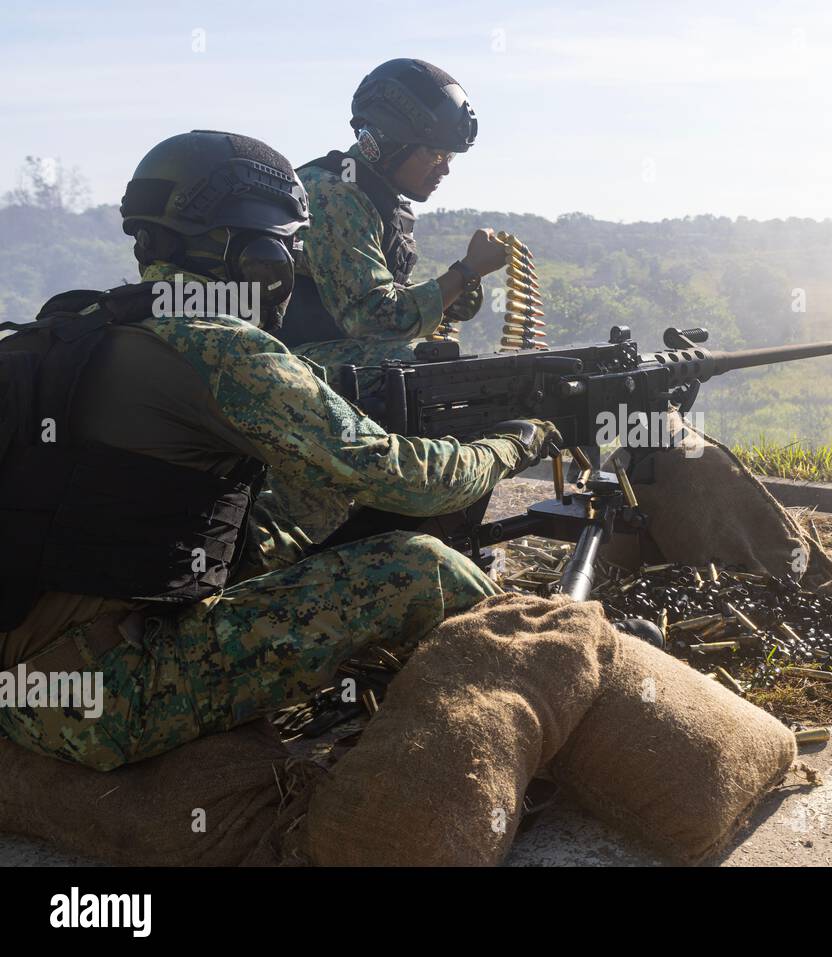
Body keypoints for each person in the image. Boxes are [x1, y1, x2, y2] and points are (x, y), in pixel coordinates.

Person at [0, 130, 560, 772]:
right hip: (101, 699)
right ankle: (563, 666)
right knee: (418, 567)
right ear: (255, 254)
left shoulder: (75, 327)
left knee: (279, 520)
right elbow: (413, 482)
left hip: (29, 673)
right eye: (286, 253)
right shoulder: (220, 347)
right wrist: (521, 438)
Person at [278, 58, 508, 396]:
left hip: (323, 357)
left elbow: (381, 295)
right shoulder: (335, 194)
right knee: (411, 368)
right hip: (286, 363)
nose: (444, 171)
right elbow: (375, 320)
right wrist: (466, 271)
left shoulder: (378, 199)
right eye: (434, 154)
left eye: (450, 157)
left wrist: (460, 287)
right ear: (386, 143)